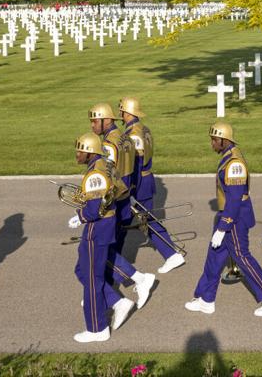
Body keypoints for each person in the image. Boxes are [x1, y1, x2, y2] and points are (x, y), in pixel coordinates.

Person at [187, 122, 262, 316]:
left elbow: (235, 198)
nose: (212, 144)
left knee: (242, 256)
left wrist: (223, 227)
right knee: (214, 257)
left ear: (224, 140)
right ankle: (206, 298)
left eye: (214, 140)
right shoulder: (228, 157)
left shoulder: (234, 164)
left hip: (235, 218)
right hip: (228, 216)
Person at [68, 132, 132, 343]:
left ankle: (96, 328)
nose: (77, 154)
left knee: (93, 280)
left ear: (88, 152)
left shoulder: (95, 174)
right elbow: (121, 189)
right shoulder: (106, 164)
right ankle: (116, 301)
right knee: (82, 270)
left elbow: (94, 209)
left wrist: (80, 215)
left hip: (97, 228)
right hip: (105, 225)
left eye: (80, 150)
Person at [90, 103, 156, 306]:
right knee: (111, 250)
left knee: (101, 251)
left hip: (115, 203)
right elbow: (133, 167)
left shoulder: (109, 144)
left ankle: (137, 280)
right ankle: (103, 292)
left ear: (106, 121)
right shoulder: (123, 137)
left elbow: (109, 176)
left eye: (95, 121)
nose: (92, 125)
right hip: (125, 199)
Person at [119, 96, 186, 274]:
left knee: (137, 220)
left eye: (122, 111)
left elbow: (135, 165)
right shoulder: (144, 129)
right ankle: (171, 254)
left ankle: (171, 254)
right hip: (146, 179)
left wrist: (131, 191)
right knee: (145, 220)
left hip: (139, 183)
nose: (120, 114)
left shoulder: (133, 134)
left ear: (127, 112)